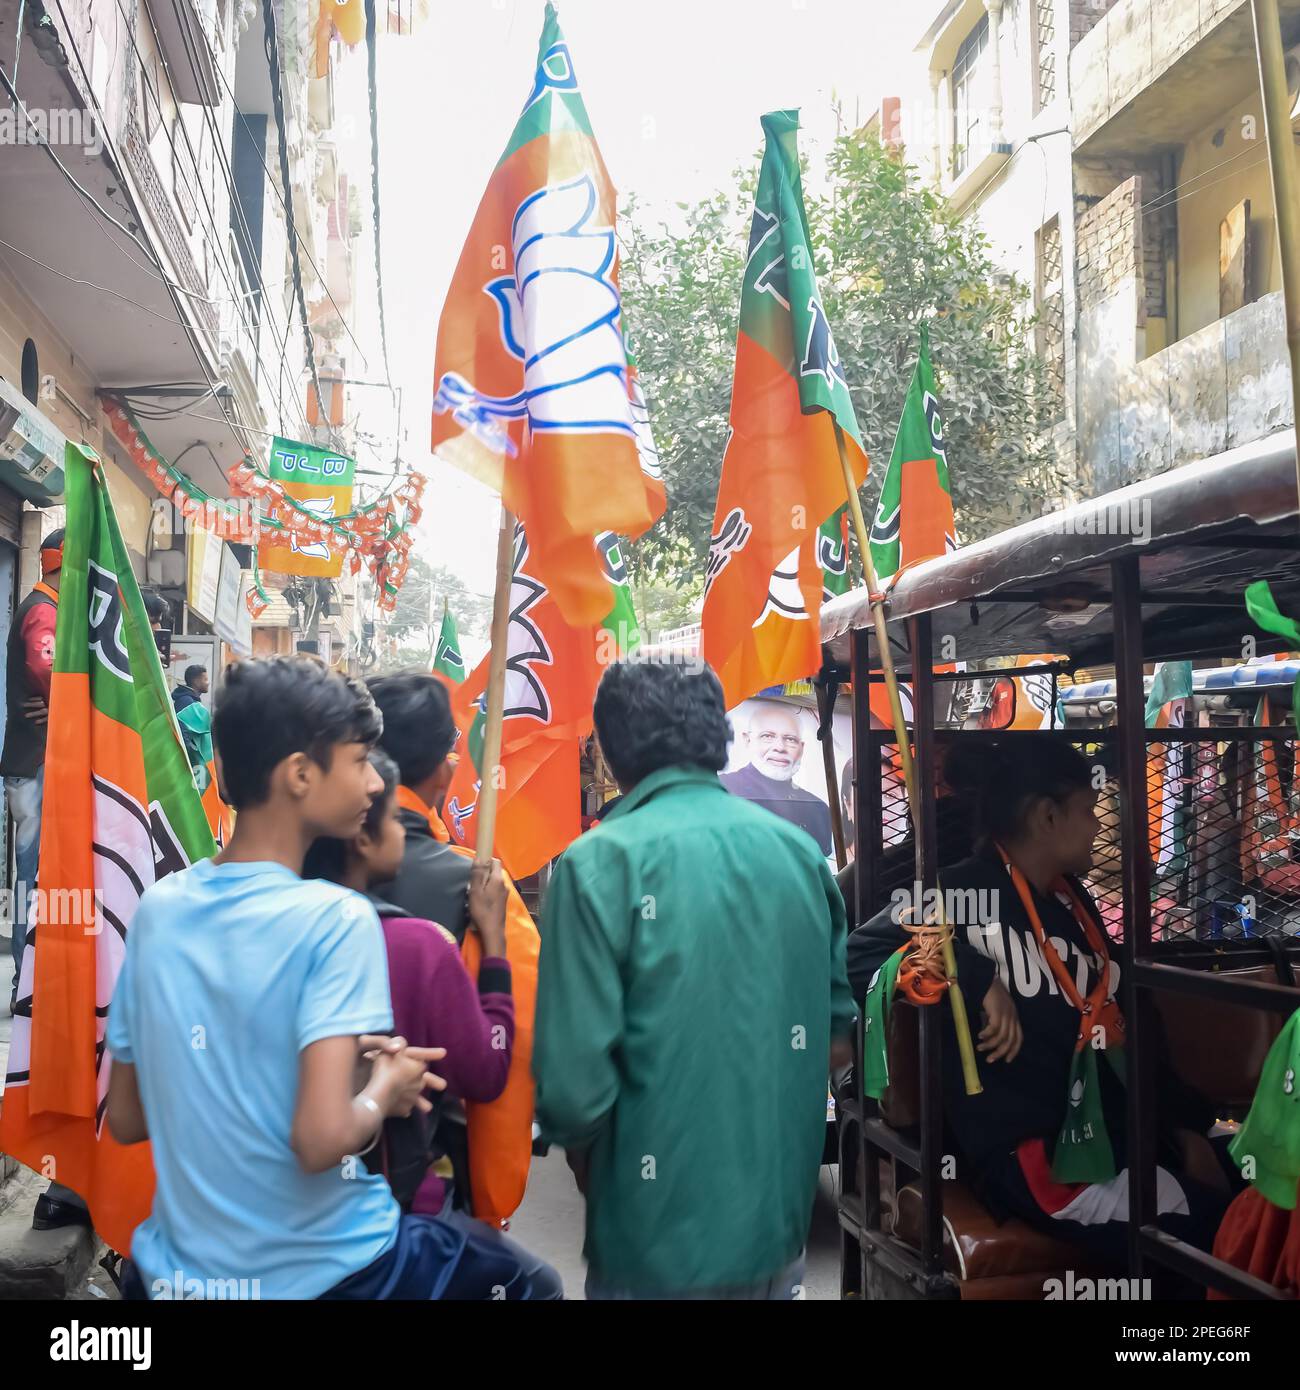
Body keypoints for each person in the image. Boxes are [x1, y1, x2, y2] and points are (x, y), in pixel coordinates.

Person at [105, 656, 551, 1299]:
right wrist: (385, 1087)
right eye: (359, 760)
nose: (374, 784)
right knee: (533, 1283)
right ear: (300, 776)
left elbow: (126, 1116)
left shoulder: (159, 909)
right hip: (337, 1268)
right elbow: (321, 1143)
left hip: (177, 1274)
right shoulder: (339, 920)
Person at [846, 737, 1233, 1293]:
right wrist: (973, 979)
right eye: (1087, 810)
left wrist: (1184, 1126)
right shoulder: (958, 891)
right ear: (1047, 816)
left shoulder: (1074, 902)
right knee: (1218, 1240)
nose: (1097, 825)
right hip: (1040, 1157)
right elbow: (860, 956)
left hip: (1118, 1134)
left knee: (1261, 1201)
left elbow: (1126, 1019)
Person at [534, 658, 855, 1299]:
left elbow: (572, 1090)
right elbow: (836, 1040)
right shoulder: (798, 855)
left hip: (649, 1238)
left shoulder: (596, 863)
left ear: (610, 749)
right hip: (775, 1225)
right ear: (719, 739)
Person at [302, 749, 561, 1298]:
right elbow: (488, 1072)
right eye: (398, 818)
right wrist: (493, 946)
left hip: (258, 1224)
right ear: (362, 838)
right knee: (540, 1285)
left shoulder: (253, 929)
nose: (409, 829)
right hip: (392, 1221)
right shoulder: (418, 945)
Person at [365, 671, 540, 1229]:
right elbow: (508, 1051)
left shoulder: (296, 863)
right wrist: (493, 1193)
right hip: (432, 1172)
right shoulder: (478, 886)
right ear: (446, 764)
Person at [0, 528, 90, 1231]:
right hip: (32, 763)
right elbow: (45, 667)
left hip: (41, 757)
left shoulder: (52, 605)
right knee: (34, 874)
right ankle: (23, 978)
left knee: (42, 872)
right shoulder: (43, 607)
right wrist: (68, 700)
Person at [719, 700, 833, 855]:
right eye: (767, 736)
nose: (779, 747)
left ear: (802, 747)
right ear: (747, 739)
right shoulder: (722, 790)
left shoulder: (817, 809)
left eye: (790, 739)